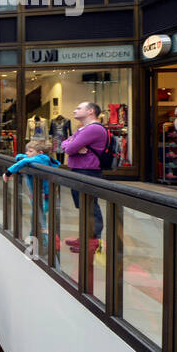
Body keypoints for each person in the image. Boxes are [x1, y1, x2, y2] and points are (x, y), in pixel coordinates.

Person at [58, 101, 109, 254]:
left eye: (79, 108)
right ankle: (86, 237)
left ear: (90, 111)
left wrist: (71, 145)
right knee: (84, 207)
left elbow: (69, 148)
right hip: (80, 171)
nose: (74, 110)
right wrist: (71, 145)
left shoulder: (93, 128)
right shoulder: (83, 129)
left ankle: (93, 241)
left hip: (88, 172)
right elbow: (64, 144)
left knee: (90, 207)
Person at [3, 139, 58, 230]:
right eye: (27, 150)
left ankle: (41, 235)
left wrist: (8, 172)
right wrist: (21, 157)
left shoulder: (43, 159)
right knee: (35, 216)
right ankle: (35, 235)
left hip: (45, 195)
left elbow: (23, 161)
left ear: (40, 153)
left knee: (37, 216)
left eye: (30, 151)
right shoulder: (38, 157)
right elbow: (21, 156)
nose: (27, 153)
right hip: (37, 194)